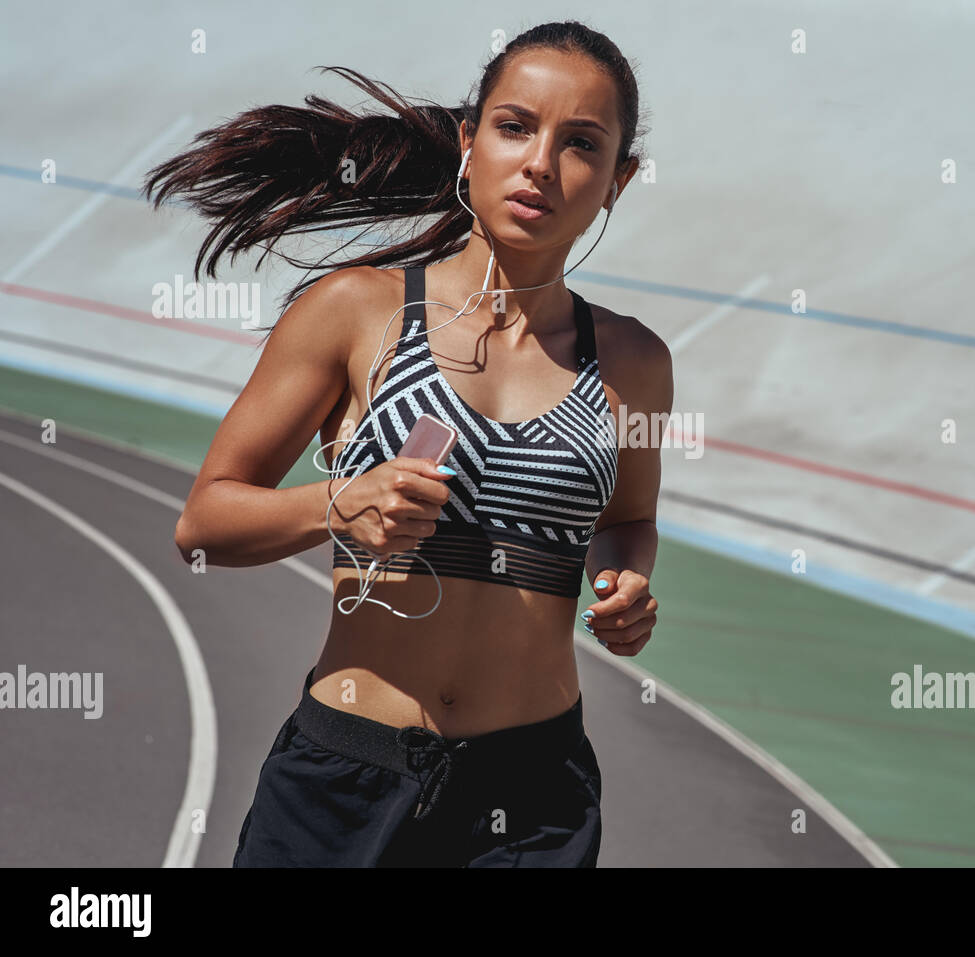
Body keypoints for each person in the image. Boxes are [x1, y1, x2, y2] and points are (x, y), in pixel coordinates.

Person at [150, 20, 671, 867]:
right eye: (514, 127)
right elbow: (203, 523)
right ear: (470, 142)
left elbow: (627, 519)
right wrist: (340, 502)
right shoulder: (356, 312)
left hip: (532, 804)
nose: (541, 162)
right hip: (340, 787)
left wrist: (624, 582)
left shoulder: (636, 364)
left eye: (581, 144)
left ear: (618, 180)